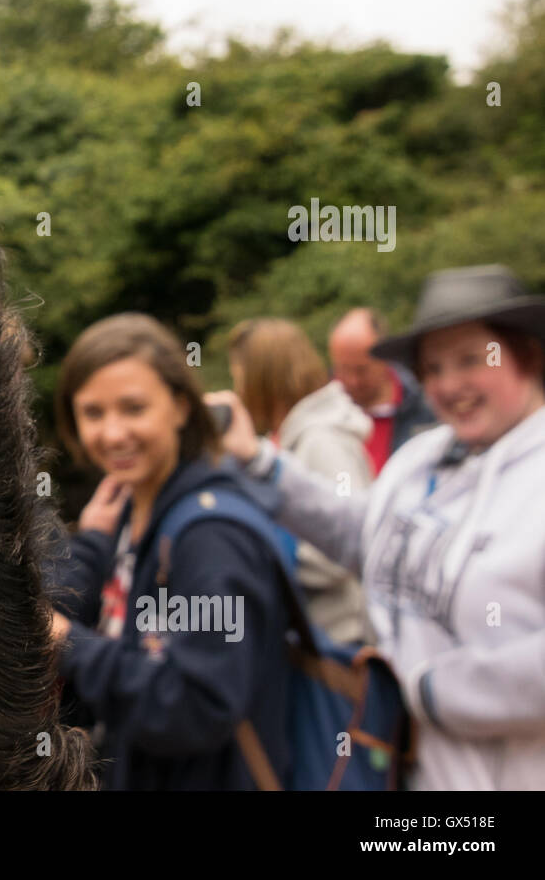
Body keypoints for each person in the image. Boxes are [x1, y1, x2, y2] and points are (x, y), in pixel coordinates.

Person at [208, 265, 545, 790]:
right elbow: (365, 539)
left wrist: (425, 691)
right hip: (397, 772)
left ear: (527, 354)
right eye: (432, 368)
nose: (449, 385)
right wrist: (259, 463)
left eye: (470, 360)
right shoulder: (422, 457)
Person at [44, 313, 291, 790]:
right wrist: (93, 544)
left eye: (134, 408)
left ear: (180, 407)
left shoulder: (210, 538)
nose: (113, 434)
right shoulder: (134, 518)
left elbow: (196, 706)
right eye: (93, 413)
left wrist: (70, 646)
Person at [227, 318, 375, 645]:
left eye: (241, 377)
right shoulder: (284, 440)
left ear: (264, 378)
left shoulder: (324, 442)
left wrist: (261, 569)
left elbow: (347, 539)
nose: (238, 390)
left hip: (342, 643)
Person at [329, 307, 436, 475]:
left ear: (386, 358)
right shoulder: (322, 411)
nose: (352, 380)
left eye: (361, 370)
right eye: (342, 369)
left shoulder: (424, 407)